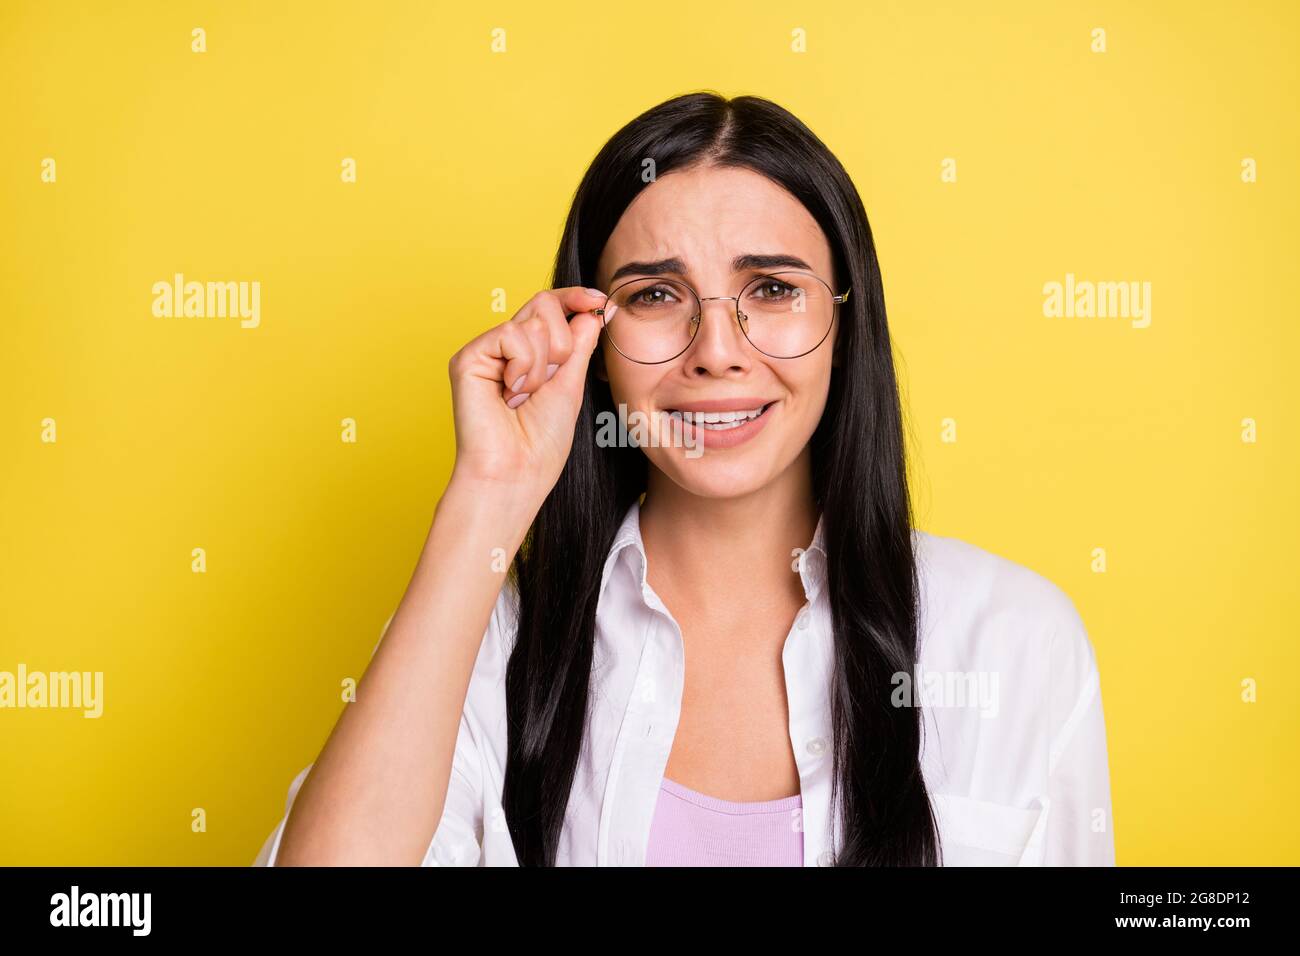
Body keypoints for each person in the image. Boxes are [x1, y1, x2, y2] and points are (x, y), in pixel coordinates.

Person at [255, 91, 1116, 867]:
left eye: (773, 288)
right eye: (656, 296)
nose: (716, 352)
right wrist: (491, 490)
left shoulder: (1014, 640)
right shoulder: (482, 646)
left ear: (847, 326)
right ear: (587, 340)